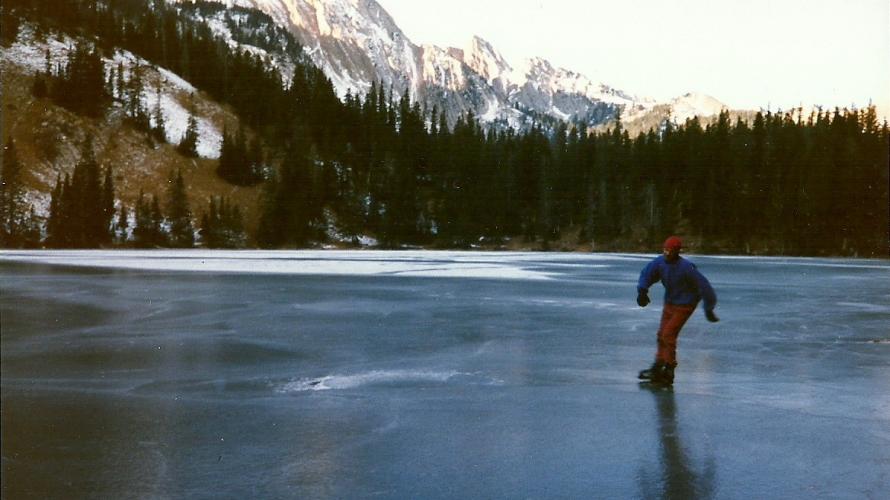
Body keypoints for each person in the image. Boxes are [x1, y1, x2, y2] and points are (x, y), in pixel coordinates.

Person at [636, 236, 719, 384]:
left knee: (668, 334)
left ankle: (669, 369)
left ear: (677, 252)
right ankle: (658, 366)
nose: (667, 253)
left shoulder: (686, 267)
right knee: (661, 334)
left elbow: (705, 286)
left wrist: (709, 308)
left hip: (685, 305)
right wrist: (642, 291)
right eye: (665, 250)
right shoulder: (660, 262)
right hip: (670, 302)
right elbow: (647, 273)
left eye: (670, 251)